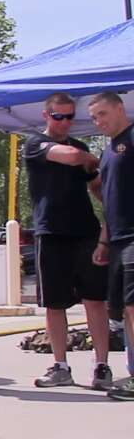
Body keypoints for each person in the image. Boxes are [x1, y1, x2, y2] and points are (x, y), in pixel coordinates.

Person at [24, 93, 112, 390]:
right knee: (55, 303)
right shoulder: (35, 144)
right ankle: (60, 366)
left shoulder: (81, 147)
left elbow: (96, 185)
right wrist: (87, 158)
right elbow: (72, 157)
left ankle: (101, 365)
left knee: (95, 300)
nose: (64, 122)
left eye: (70, 116)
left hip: (85, 232)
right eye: (58, 116)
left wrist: (114, 202)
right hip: (51, 233)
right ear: (46, 115)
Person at [89, 92, 134, 401]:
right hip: (117, 239)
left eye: (103, 114)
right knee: (123, 310)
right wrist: (104, 240)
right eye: (94, 117)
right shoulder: (107, 153)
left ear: (120, 108)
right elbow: (110, 201)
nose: (98, 121)